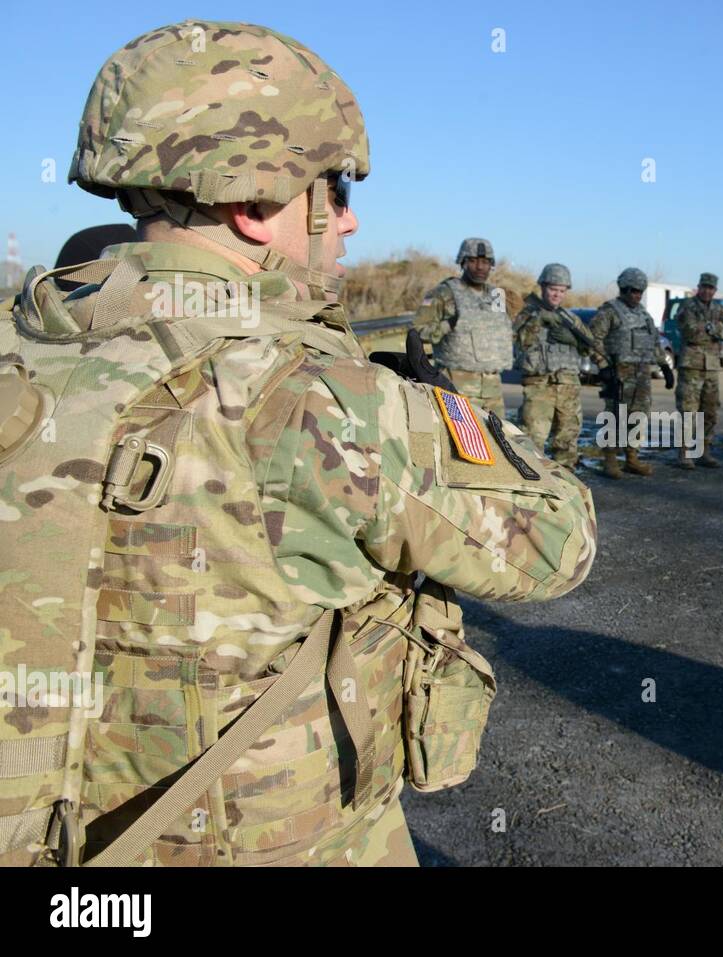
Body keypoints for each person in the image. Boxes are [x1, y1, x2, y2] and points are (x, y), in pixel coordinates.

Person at [0, 20, 596, 867]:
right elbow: (561, 539)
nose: (349, 224)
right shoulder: (317, 403)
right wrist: (439, 412)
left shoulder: (18, 348)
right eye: (337, 192)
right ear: (254, 205)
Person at [413, 237, 512, 417]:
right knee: (457, 440)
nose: (480, 267)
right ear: (462, 262)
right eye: (473, 261)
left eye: (485, 262)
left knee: (499, 441)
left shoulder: (497, 295)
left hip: (492, 387)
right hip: (456, 383)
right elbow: (419, 330)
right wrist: (448, 325)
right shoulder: (444, 293)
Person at [589, 267, 673, 477]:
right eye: (633, 291)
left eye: (640, 292)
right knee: (615, 417)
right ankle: (609, 460)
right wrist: (603, 366)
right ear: (623, 289)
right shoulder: (609, 311)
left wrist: (664, 365)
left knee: (639, 416)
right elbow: (592, 340)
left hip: (642, 373)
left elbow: (653, 342)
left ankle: (632, 458)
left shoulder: (644, 315)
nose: (637, 296)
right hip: (618, 374)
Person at [514, 262, 595, 471]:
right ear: (542, 287)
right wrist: (537, 321)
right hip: (539, 386)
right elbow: (517, 343)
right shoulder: (528, 314)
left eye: (561, 291)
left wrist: (573, 339)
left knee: (567, 439)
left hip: (568, 387)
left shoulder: (571, 319)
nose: (557, 295)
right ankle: (532, 483)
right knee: (532, 438)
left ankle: (566, 482)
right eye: (553, 289)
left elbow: (590, 347)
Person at [673, 272, 723, 469]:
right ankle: (684, 453)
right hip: (691, 366)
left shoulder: (720, 308)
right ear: (698, 287)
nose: (707, 291)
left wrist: (709, 328)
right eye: (704, 287)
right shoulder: (687, 307)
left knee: (709, 411)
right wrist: (715, 329)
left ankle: (704, 451)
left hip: (712, 368)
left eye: (711, 288)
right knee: (688, 412)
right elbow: (691, 333)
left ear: (715, 290)